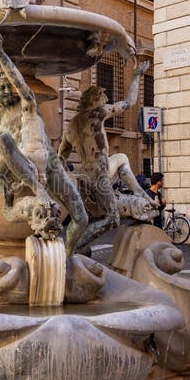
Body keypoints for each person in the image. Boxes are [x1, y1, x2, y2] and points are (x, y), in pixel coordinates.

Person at [0, 28, 87, 254]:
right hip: (25, 167)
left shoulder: (27, 105)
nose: (5, 90)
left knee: (82, 218)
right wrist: (0, 177)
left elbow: (22, 86)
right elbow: (3, 150)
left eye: (7, 85)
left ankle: (64, 257)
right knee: (4, 139)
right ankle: (36, 192)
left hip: (51, 166)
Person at [57, 62, 156, 249]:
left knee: (121, 160)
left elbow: (59, 159)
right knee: (112, 218)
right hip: (100, 176)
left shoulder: (70, 127)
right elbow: (128, 103)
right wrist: (136, 76)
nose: (106, 98)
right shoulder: (97, 114)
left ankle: (139, 193)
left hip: (85, 179)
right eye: (103, 96)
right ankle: (73, 246)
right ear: (94, 99)